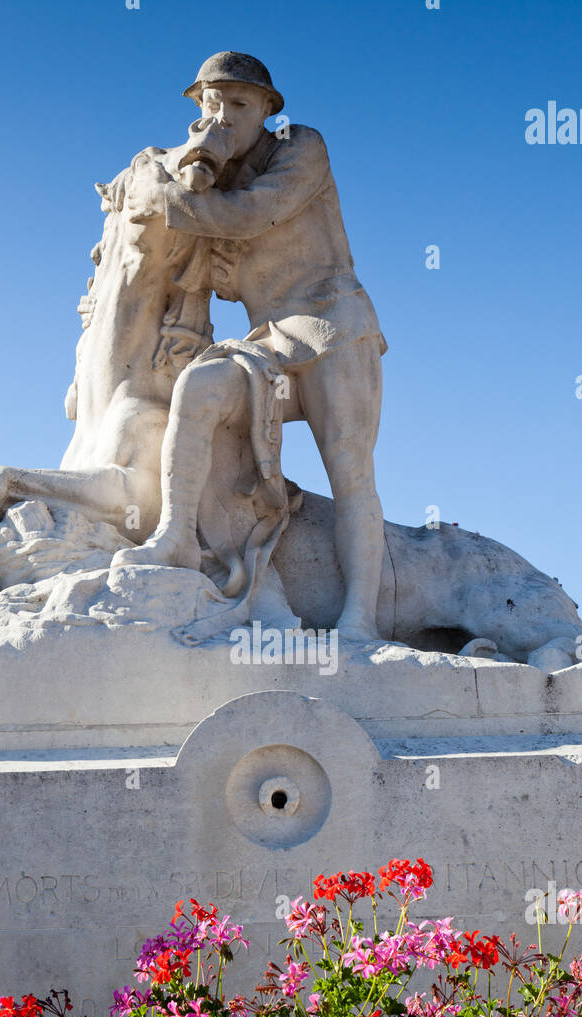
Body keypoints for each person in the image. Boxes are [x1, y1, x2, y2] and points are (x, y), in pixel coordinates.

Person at [129, 52, 388, 641]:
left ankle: (360, 621)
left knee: (350, 471)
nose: (224, 116)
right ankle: (175, 537)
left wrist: (169, 196)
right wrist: (192, 170)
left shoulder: (301, 146)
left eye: (240, 105)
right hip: (268, 337)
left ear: (269, 111)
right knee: (200, 387)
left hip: (334, 322)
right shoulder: (210, 175)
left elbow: (251, 217)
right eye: (212, 105)